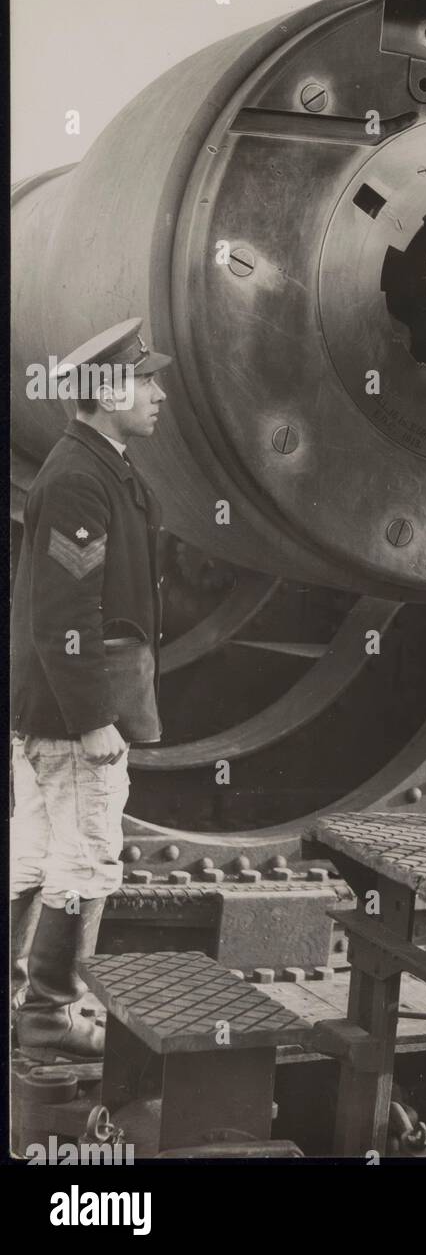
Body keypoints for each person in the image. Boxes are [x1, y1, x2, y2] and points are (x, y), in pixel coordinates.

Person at [10, 318, 170, 1058]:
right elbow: (64, 614)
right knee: (87, 854)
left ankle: (22, 997)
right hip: (75, 718)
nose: (159, 394)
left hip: (52, 712)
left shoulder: (95, 464)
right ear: (108, 393)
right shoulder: (80, 478)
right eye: (145, 382)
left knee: (35, 855)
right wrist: (94, 719)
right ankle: (51, 1013)